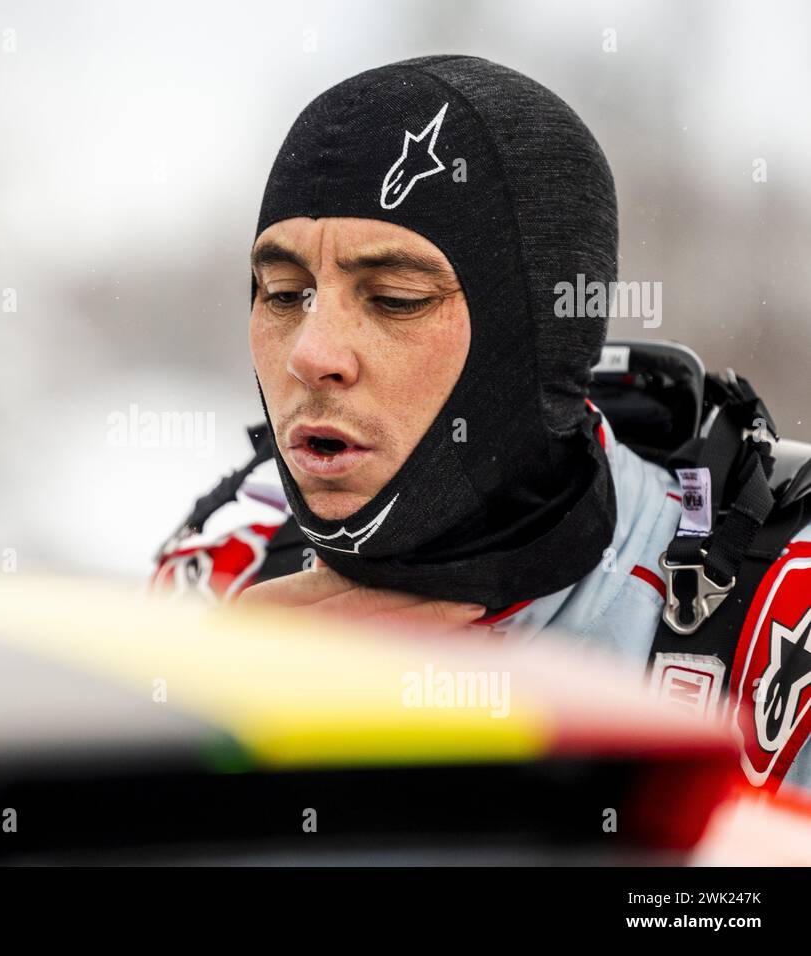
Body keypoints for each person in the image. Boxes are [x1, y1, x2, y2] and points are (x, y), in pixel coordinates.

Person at [151, 55, 811, 796]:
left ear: (535, 338)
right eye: (283, 292)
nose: (312, 354)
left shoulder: (782, 619)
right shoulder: (222, 563)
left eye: (395, 298)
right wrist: (204, 759)